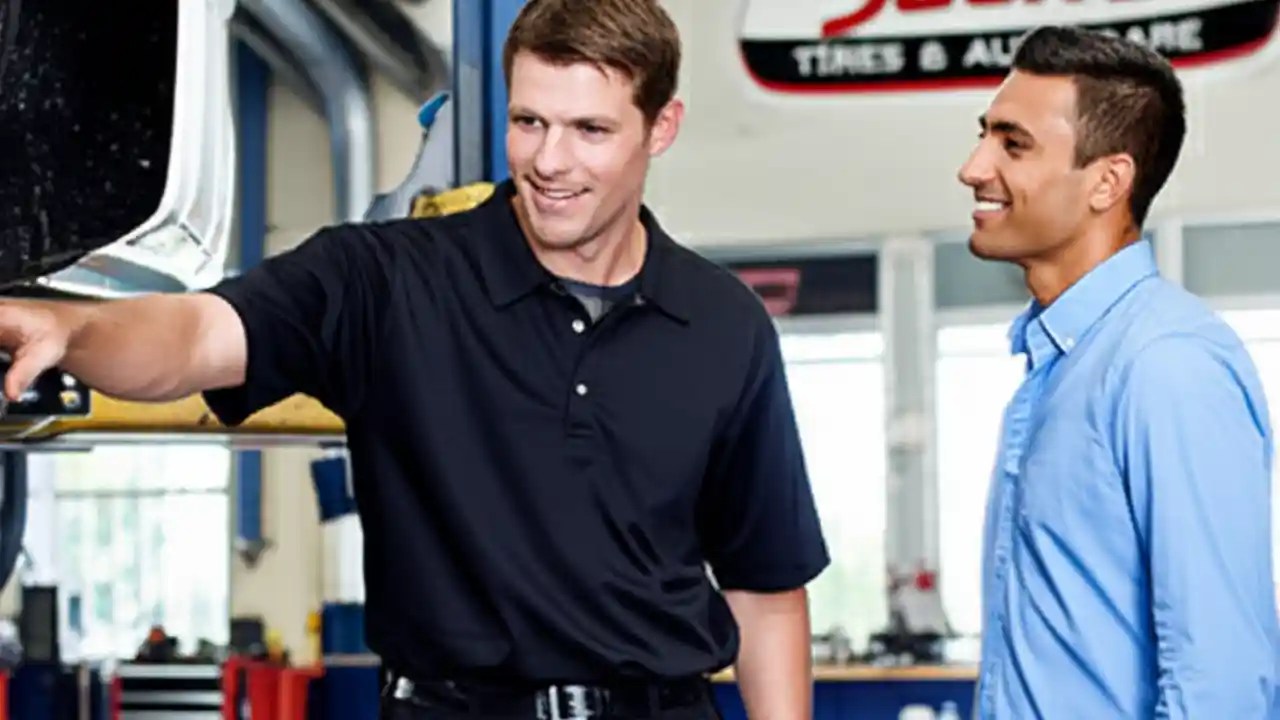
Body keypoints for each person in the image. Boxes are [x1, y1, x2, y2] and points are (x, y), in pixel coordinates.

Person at [0, 0, 829, 718]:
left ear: (662, 127)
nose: (549, 161)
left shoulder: (724, 324)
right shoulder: (384, 282)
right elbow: (196, 336)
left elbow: (765, 590)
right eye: (529, 121)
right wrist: (74, 332)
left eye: (590, 130)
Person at [957, 24, 1280, 719]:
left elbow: (1222, 685)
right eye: (984, 136)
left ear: (1108, 182)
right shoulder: (1057, 365)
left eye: (1013, 144)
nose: (973, 167)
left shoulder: (1166, 365)